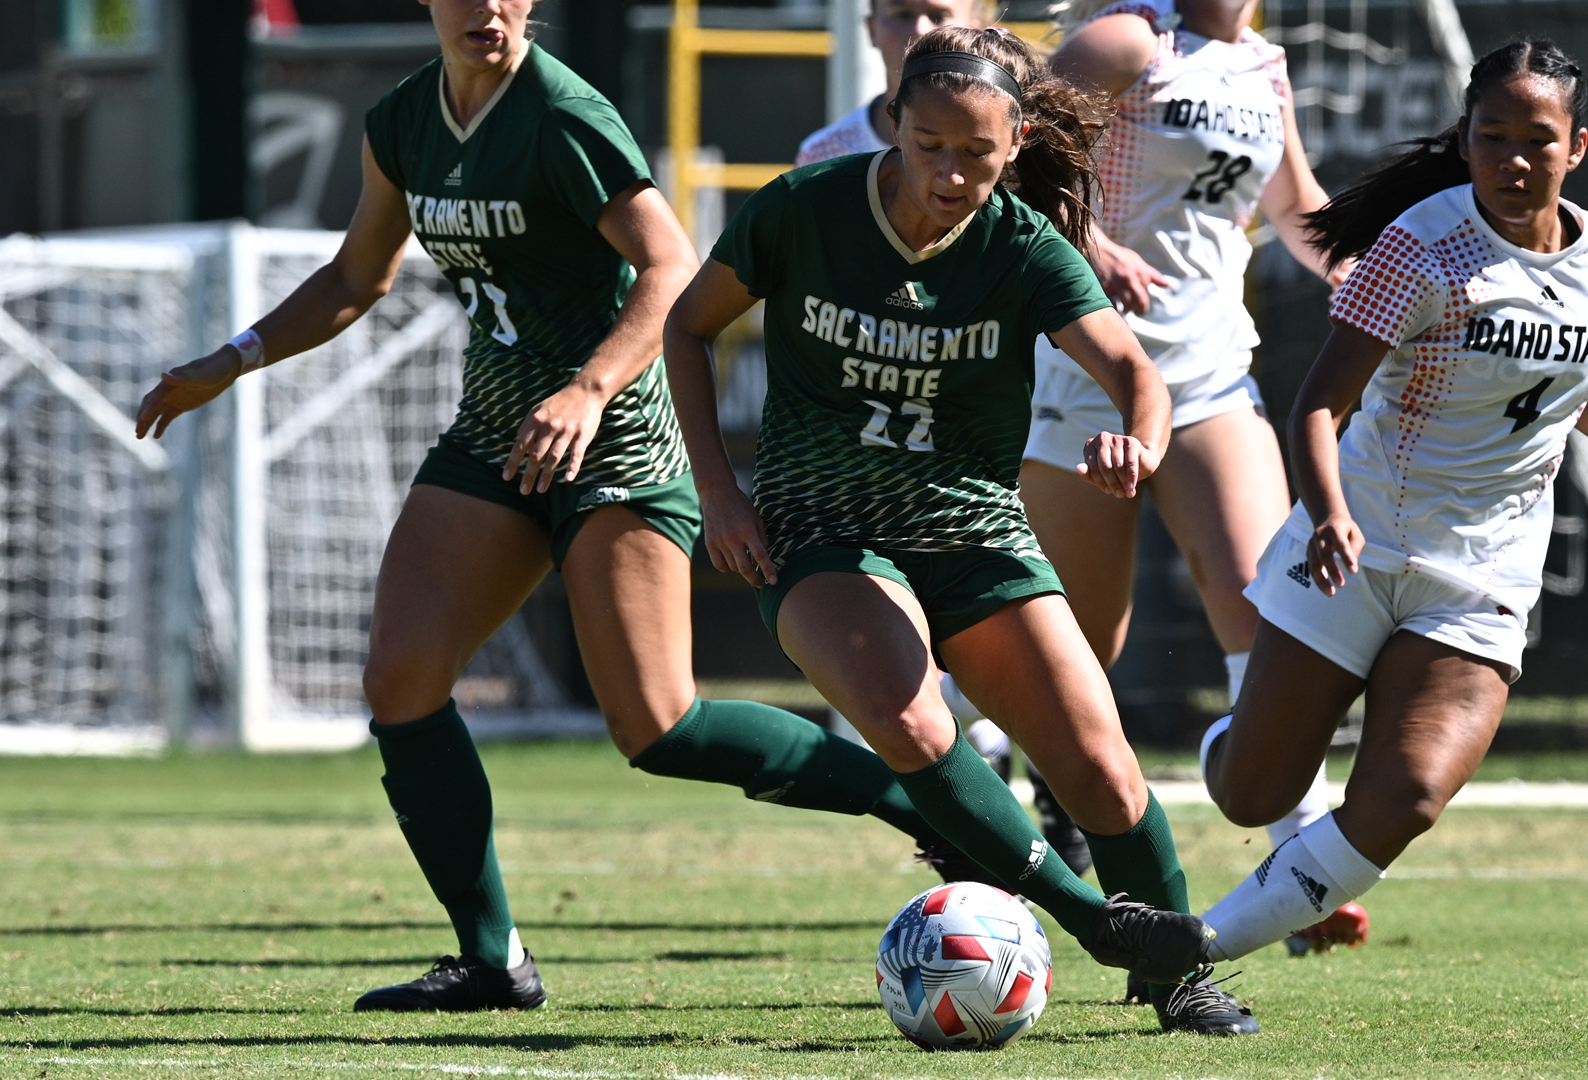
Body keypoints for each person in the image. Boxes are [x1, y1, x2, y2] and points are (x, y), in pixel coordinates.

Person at [134, 0, 997, 1014]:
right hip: (497, 434)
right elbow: (355, 277)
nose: (491, 9)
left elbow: (670, 263)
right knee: (400, 680)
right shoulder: (404, 121)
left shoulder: (564, 111)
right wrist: (226, 362)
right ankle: (492, 959)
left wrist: (589, 389)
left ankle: (908, 799)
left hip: (618, 436)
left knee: (658, 727)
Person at [665, 26, 1257, 1036]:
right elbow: (688, 326)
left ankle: (1176, 981)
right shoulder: (805, 209)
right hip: (821, 533)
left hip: (973, 534)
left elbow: (1136, 376)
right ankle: (1107, 927)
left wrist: (1143, 444)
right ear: (892, 124)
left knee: (1104, 770)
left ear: (1015, 140)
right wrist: (718, 494)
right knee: (912, 725)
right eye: (928, 143)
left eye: (976, 154)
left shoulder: (1024, 245)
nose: (948, 172)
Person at [1196, 39, 1588, 963]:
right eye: (1492, 136)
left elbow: (1573, 381)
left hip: (1483, 569)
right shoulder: (1422, 243)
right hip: (1359, 544)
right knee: (1251, 797)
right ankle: (1232, 741)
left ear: (1576, 147)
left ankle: (1197, 945)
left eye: (1536, 140)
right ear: (1465, 140)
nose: (1514, 159)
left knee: (1411, 794)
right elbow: (1318, 404)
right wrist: (1327, 514)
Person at [962, 0, 1370, 958]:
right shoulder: (1127, 41)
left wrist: (1386, 286)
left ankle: (1299, 870)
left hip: (1210, 375)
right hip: (1085, 377)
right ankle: (998, 788)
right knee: (1075, 648)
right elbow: (1006, 159)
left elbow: (1297, 208)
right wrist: (1090, 245)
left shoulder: (1262, 66)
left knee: (1265, 614)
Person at [796, 0, 993, 167]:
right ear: (872, 29)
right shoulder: (825, 156)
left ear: (975, 31)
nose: (920, 30)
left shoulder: (1003, 149)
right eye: (902, 14)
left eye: (938, 15)